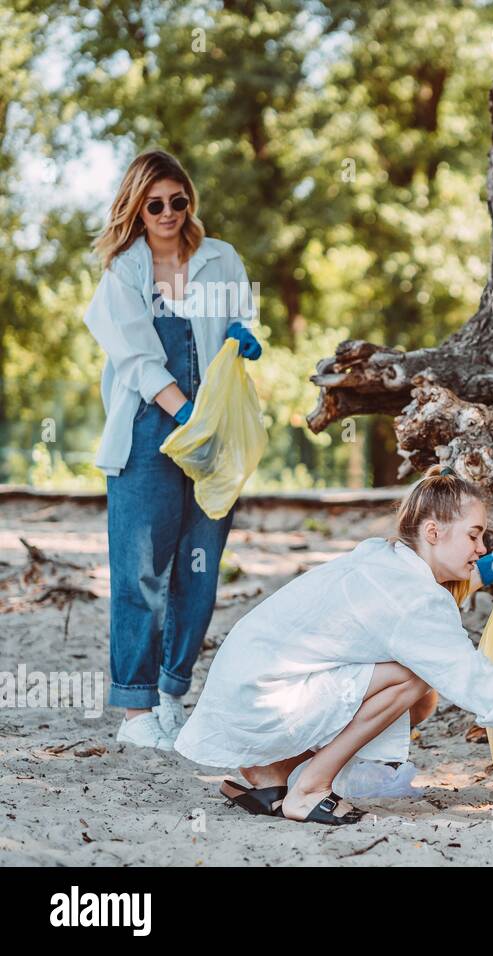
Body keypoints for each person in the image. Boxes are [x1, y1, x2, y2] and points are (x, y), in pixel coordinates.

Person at [173, 470, 493, 824]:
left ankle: (270, 774)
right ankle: (308, 787)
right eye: (474, 535)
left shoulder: (386, 557)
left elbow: (408, 605)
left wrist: (488, 570)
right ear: (432, 532)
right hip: (261, 700)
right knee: (415, 677)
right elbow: (480, 682)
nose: (482, 547)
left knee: (417, 690)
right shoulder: (414, 600)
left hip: (249, 688)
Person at [84, 149, 264, 751]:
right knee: (141, 568)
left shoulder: (222, 259)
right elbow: (136, 357)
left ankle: (169, 693)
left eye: (177, 200)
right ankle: (135, 713)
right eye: (153, 203)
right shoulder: (123, 273)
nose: (167, 212)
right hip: (148, 429)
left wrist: (244, 335)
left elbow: (243, 316)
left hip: (213, 432)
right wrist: (184, 413)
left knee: (200, 565)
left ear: (190, 201)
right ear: (137, 208)